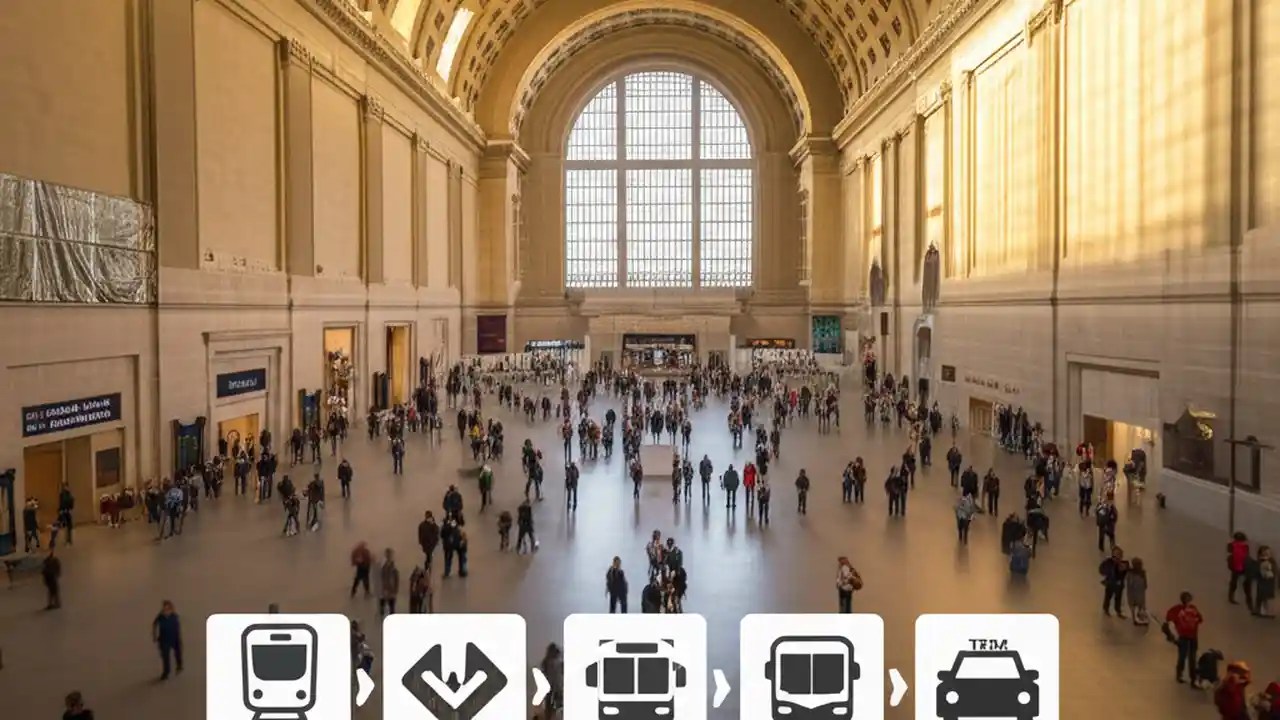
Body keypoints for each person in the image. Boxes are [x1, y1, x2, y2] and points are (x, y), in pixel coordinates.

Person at [1165, 591, 1204, 685]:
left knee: (1182, 656)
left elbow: (1168, 618)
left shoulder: (1177, 609)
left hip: (1182, 636)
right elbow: (1200, 619)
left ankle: (1179, 674)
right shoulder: (1193, 609)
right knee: (1192, 657)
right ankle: (1193, 677)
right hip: (1193, 636)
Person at [152, 600, 183, 680]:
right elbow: (154, 625)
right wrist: (154, 635)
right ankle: (166, 672)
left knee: (178, 653)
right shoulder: (160, 617)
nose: (166, 609)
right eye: (165, 608)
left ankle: (179, 665)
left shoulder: (174, 616)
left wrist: (179, 638)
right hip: (164, 640)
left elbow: (177, 627)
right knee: (165, 657)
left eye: (168, 608)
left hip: (174, 638)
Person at [1099, 546, 1129, 617]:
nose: (1118, 557)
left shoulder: (1124, 563)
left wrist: (1123, 568)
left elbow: (1126, 572)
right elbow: (1102, 569)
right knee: (1108, 596)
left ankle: (1118, 610)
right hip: (1110, 583)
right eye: (1116, 554)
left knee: (1118, 598)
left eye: (1119, 555)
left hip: (1119, 585)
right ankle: (1106, 608)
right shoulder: (1109, 562)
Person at [1227, 531, 1253, 607]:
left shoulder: (1234, 545)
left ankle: (1232, 597)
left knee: (1234, 583)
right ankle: (1248, 599)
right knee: (1242, 584)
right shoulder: (1240, 546)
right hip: (1238, 567)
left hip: (1239, 567)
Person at [540, 643, 564, 719]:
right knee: (555, 705)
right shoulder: (557, 662)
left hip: (553, 686)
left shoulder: (546, 662)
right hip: (555, 686)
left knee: (551, 706)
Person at [1254, 545, 1276, 617]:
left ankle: (1259, 610)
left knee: (1263, 597)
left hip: (1267, 582)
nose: (1267, 555)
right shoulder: (1262, 562)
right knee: (1263, 597)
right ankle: (1262, 612)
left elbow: (1275, 571)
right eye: (1265, 553)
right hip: (1264, 582)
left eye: (1268, 553)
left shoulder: (1271, 561)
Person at [1126, 557, 1149, 626]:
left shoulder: (1142, 572)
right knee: (1135, 606)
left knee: (1140, 606)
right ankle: (1136, 619)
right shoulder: (1131, 574)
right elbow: (1130, 584)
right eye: (1139, 564)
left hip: (1139, 592)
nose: (1140, 566)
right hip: (1134, 592)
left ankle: (1140, 617)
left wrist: (1145, 585)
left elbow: (1145, 582)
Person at [378, 548, 399, 616]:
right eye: (387, 554)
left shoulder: (393, 567)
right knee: (383, 606)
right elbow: (382, 577)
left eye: (389, 554)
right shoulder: (384, 566)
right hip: (385, 589)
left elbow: (396, 579)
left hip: (390, 589)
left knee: (391, 607)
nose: (388, 556)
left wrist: (395, 590)